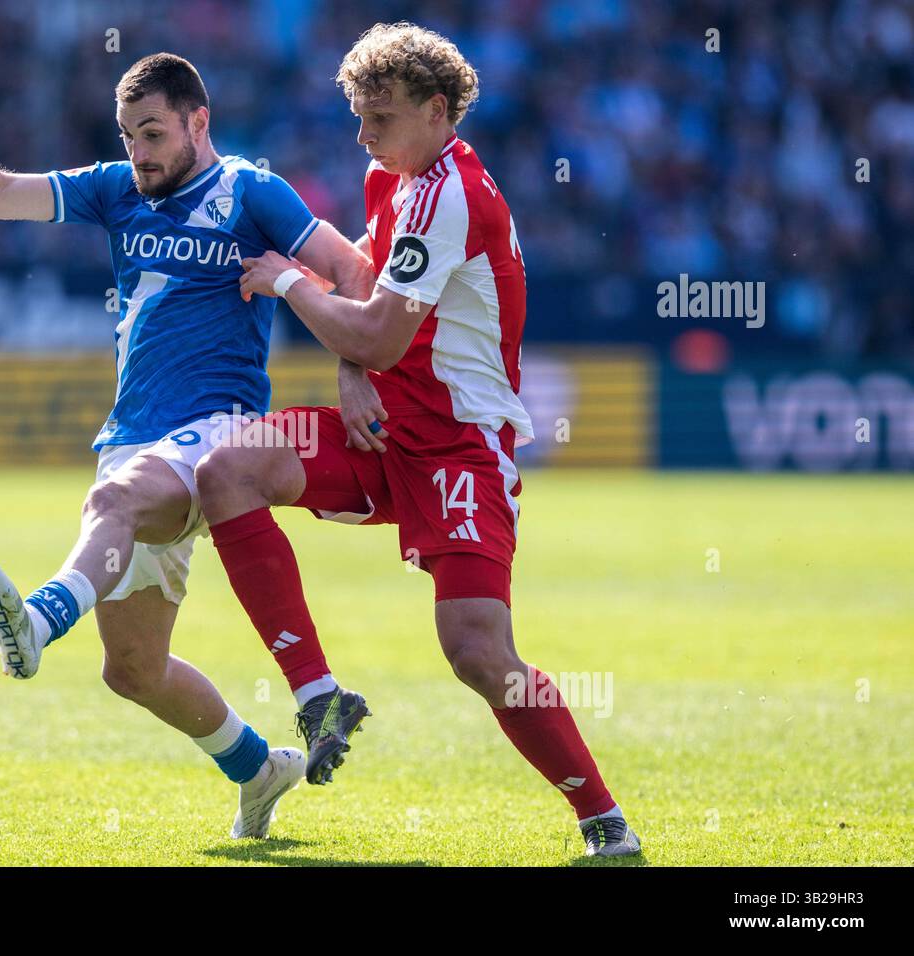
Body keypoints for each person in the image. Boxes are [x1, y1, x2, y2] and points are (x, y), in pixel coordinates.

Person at [194, 23, 642, 856]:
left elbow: (375, 332)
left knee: (475, 650)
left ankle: (603, 821)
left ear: (438, 112)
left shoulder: (450, 195)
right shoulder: (389, 176)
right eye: (358, 117)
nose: (364, 136)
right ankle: (319, 693)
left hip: (460, 447)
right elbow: (366, 302)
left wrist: (289, 280)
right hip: (381, 427)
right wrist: (350, 371)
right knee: (227, 469)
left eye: (382, 118)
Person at [0, 53, 373, 838]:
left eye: (154, 133)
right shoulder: (117, 188)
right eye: (129, 136)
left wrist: (353, 370)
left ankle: (37, 620)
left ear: (200, 121)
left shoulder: (252, 192)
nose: (140, 153)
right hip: (132, 436)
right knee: (131, 670)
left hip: (220, 431)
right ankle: (260, 770)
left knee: (114, 500)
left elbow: (354, 272)